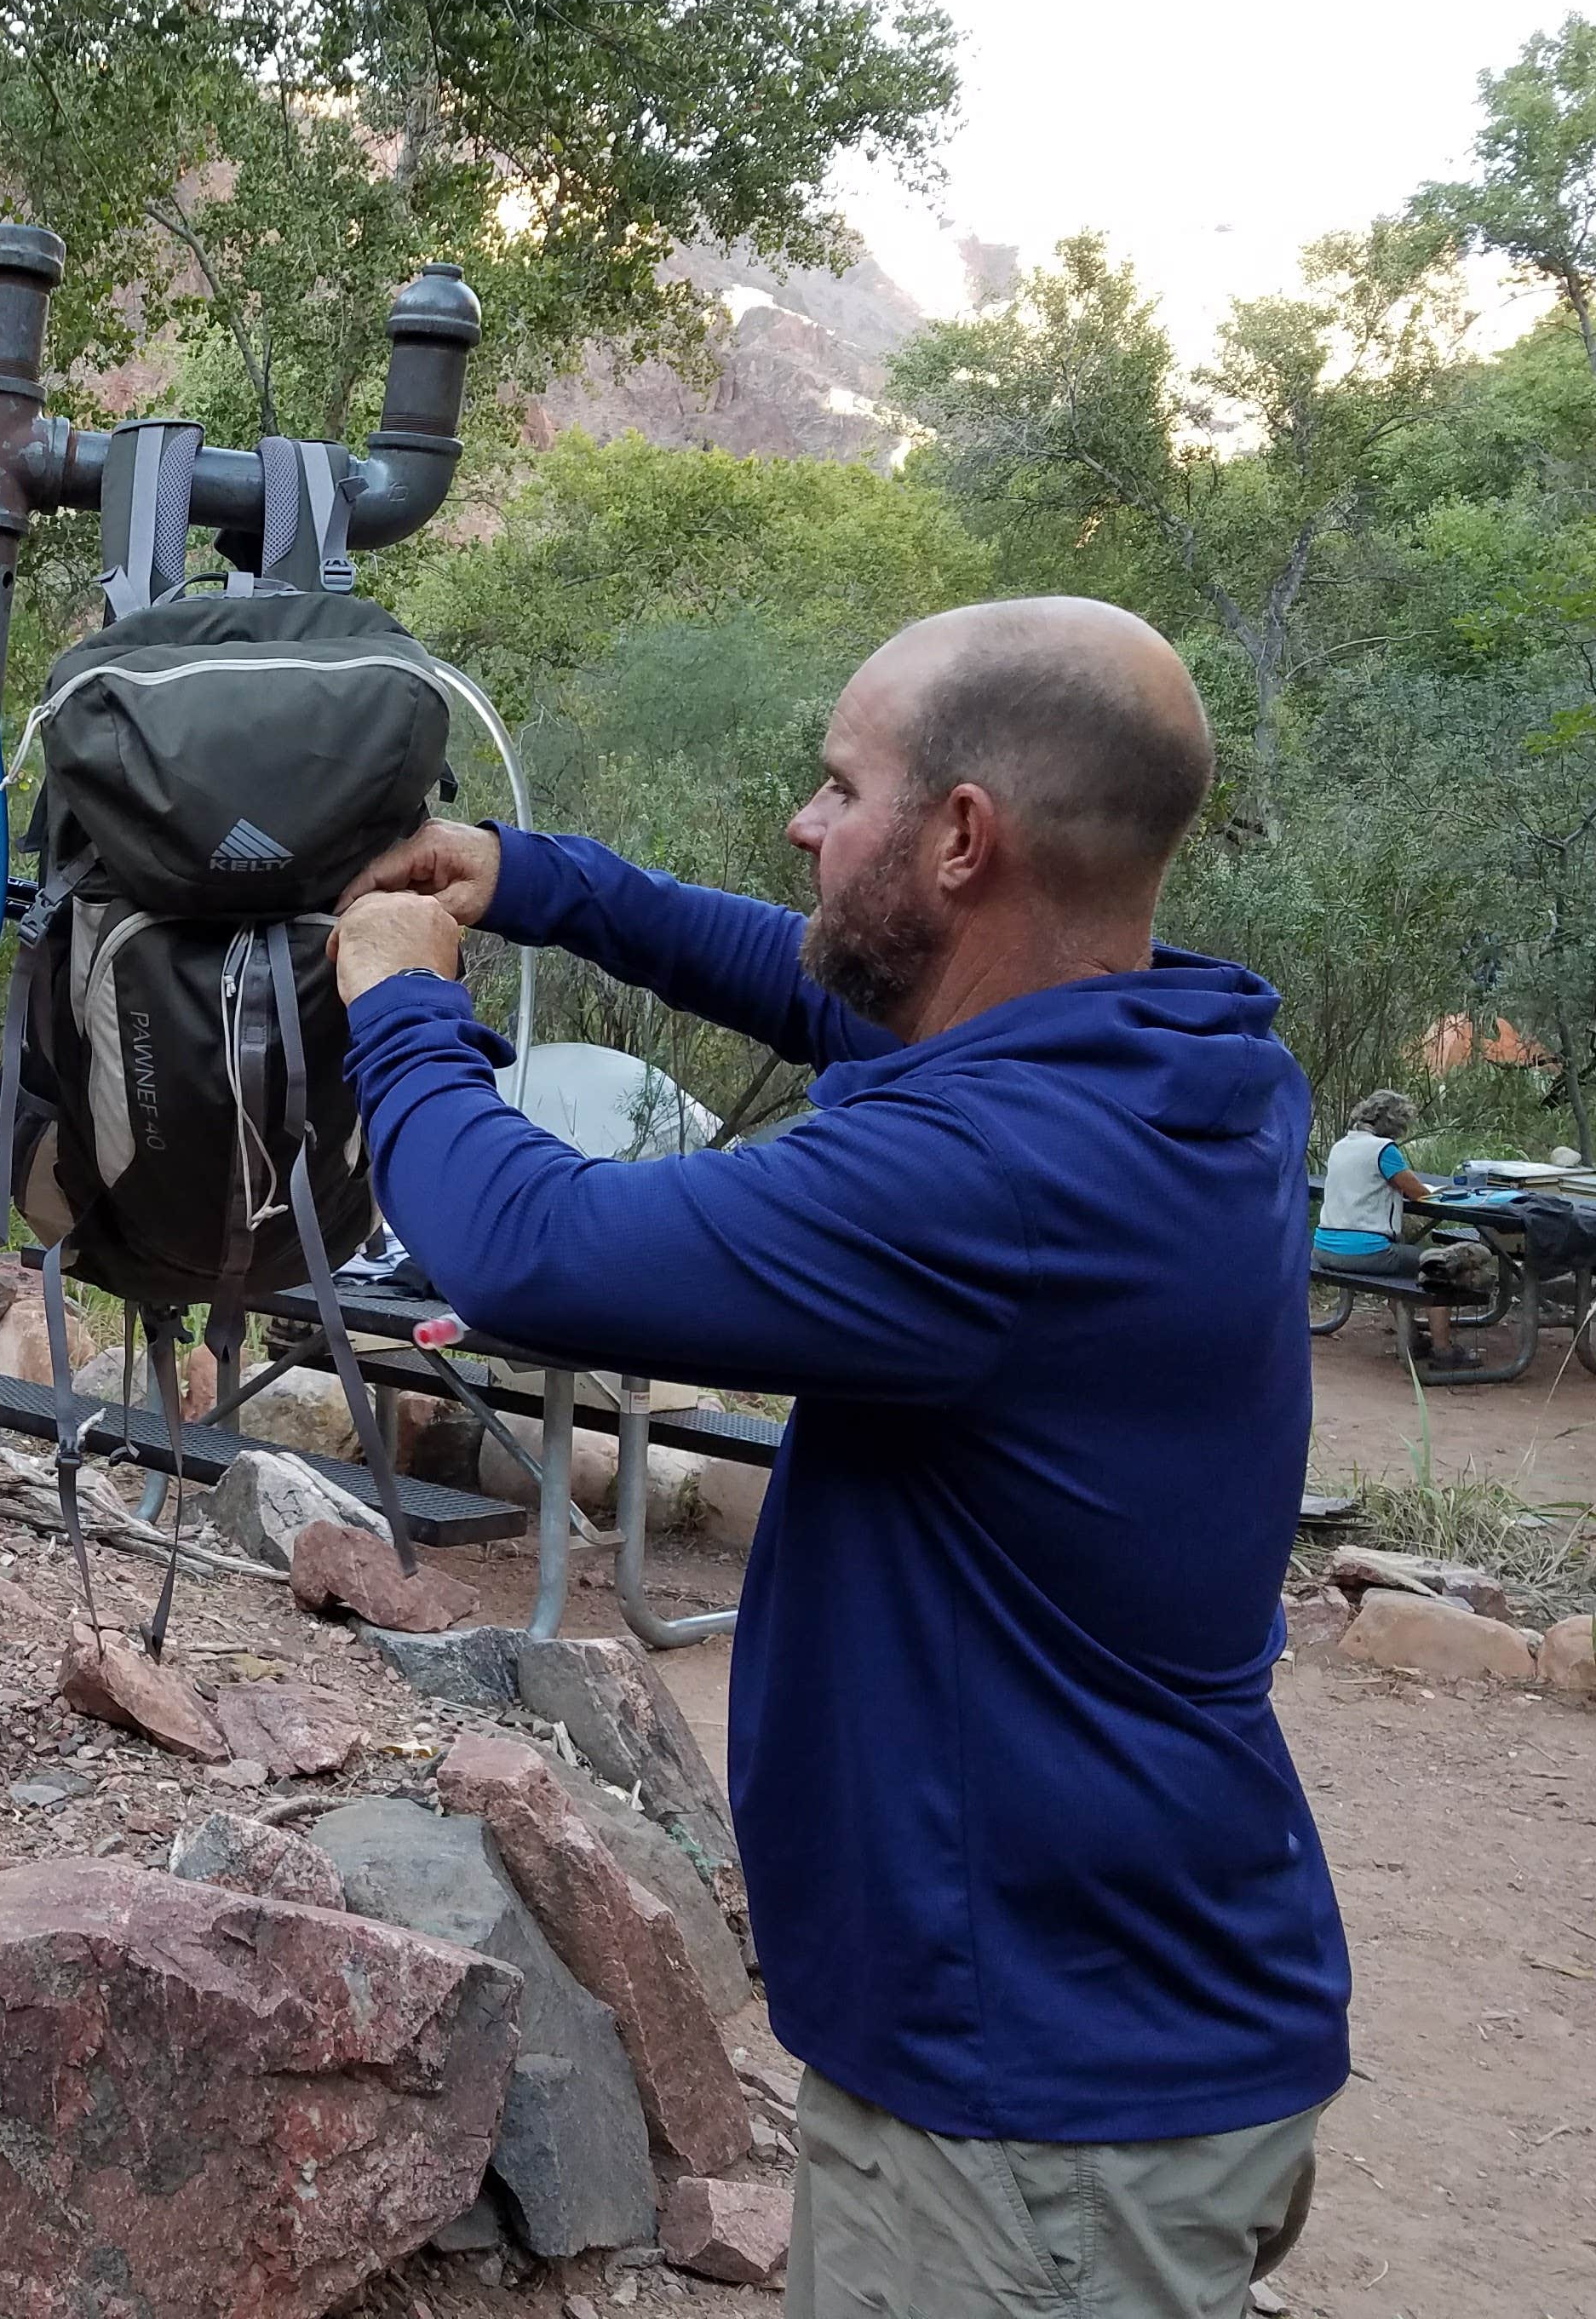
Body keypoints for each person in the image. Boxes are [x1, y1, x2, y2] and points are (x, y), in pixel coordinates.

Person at [332, 595, 1345, 2319]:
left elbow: (527, 1253)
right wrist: (544, 881)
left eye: (839, 785)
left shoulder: (1001, 1178)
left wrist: (403, 1006)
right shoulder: (1180, 1063)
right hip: (1129, 2017)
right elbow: (833, 996)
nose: (804, 823)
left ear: (962, 838)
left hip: (1033, 2115)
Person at [1313, 1089, 1432, 1276]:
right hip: (1366, 1252)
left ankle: (1389, 1299)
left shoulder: (1340, 1146)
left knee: (1404, 1252)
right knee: (1436, 1263)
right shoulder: (1384, 1149)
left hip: (1323, 1250)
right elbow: (1420, 1194)